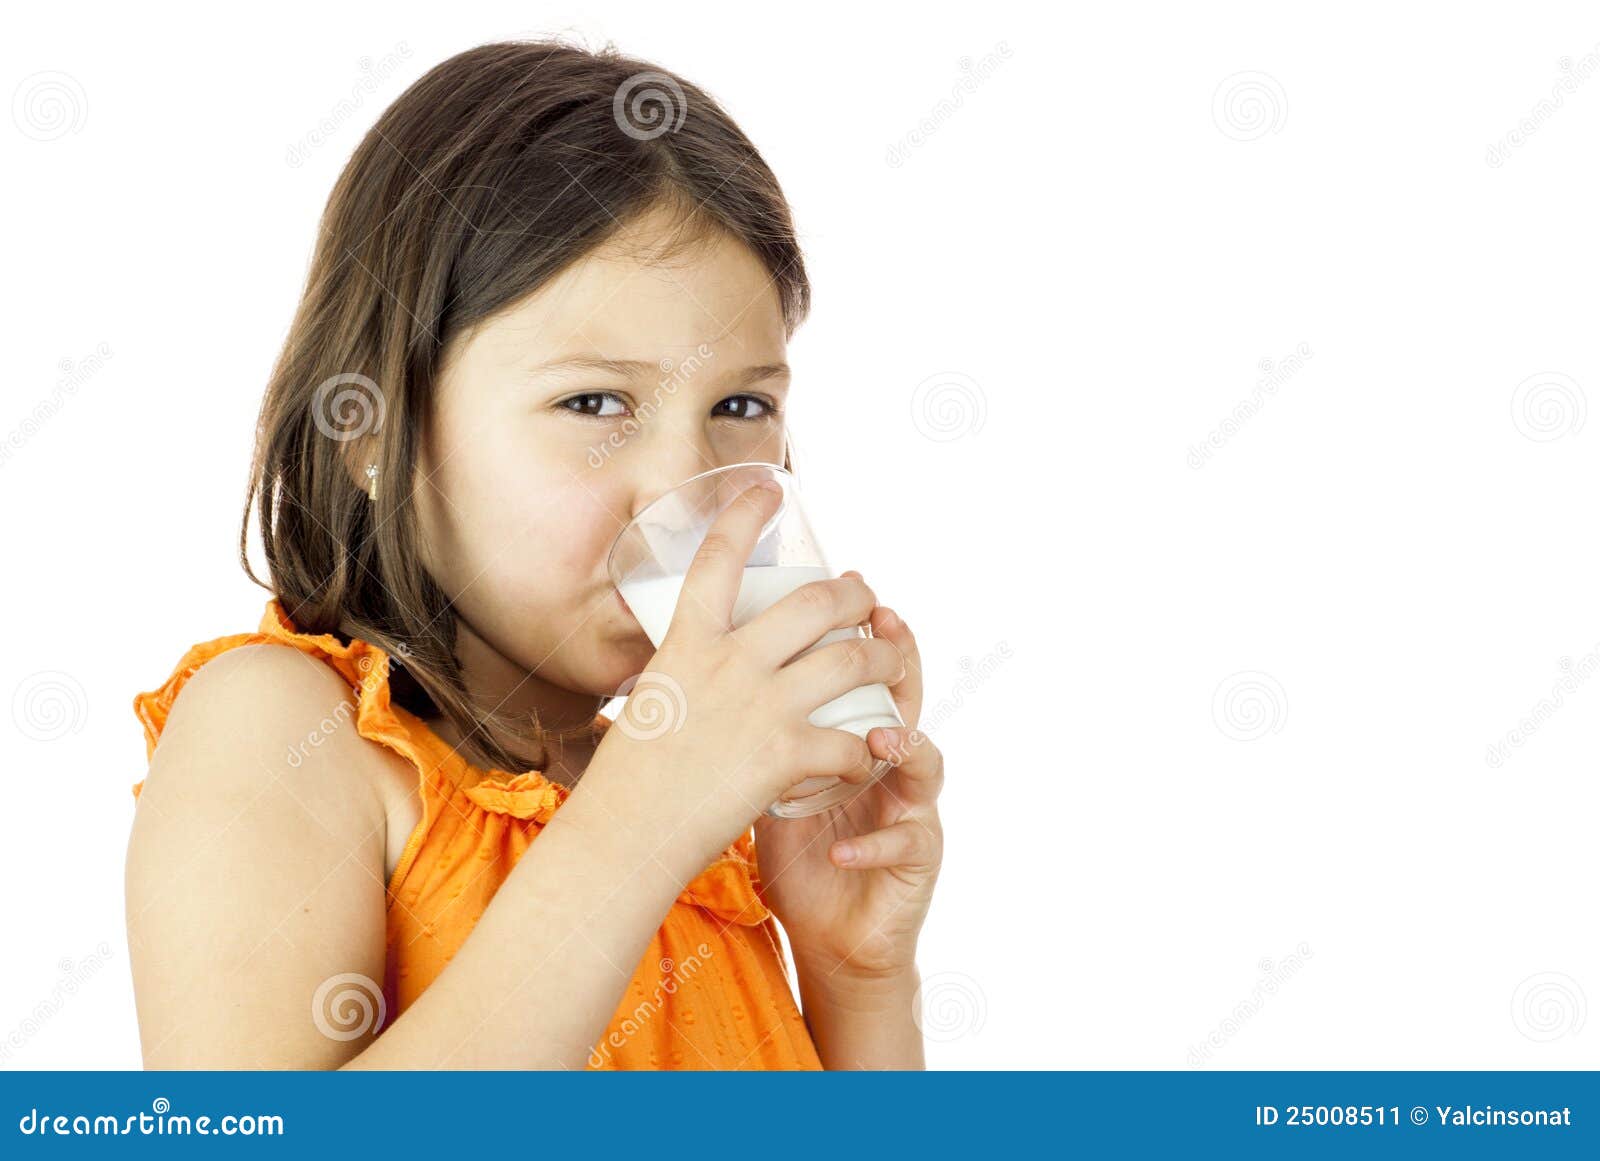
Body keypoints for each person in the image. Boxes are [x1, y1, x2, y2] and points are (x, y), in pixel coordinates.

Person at [125, 38, 945, 1070]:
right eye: (593, 402)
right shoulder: (287, 733)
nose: (680, 482)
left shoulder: (708, 823)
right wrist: (645, 820)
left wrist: (855, 977)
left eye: (741, 405)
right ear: (376, 429)